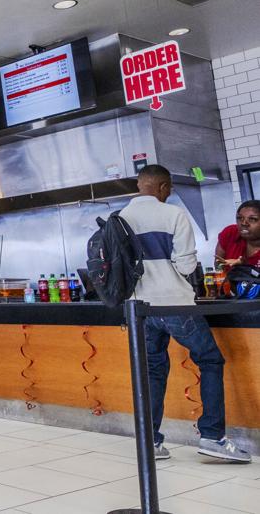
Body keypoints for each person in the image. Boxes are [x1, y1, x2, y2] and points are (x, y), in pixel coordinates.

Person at [121, 164, 250, 463]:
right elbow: (186, 266)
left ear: (141, 185)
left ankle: (150, 442)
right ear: (164, 187)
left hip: (140, 308)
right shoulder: (173, 214)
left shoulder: (120, 218)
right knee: (210, 359)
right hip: (174, 303)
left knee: (152, 372)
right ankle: (212, 436)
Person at [216, 200, 260, 269]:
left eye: (252, 219)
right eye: (240, 218)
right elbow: (219, 267)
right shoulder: (230, 233)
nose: (244, 223)